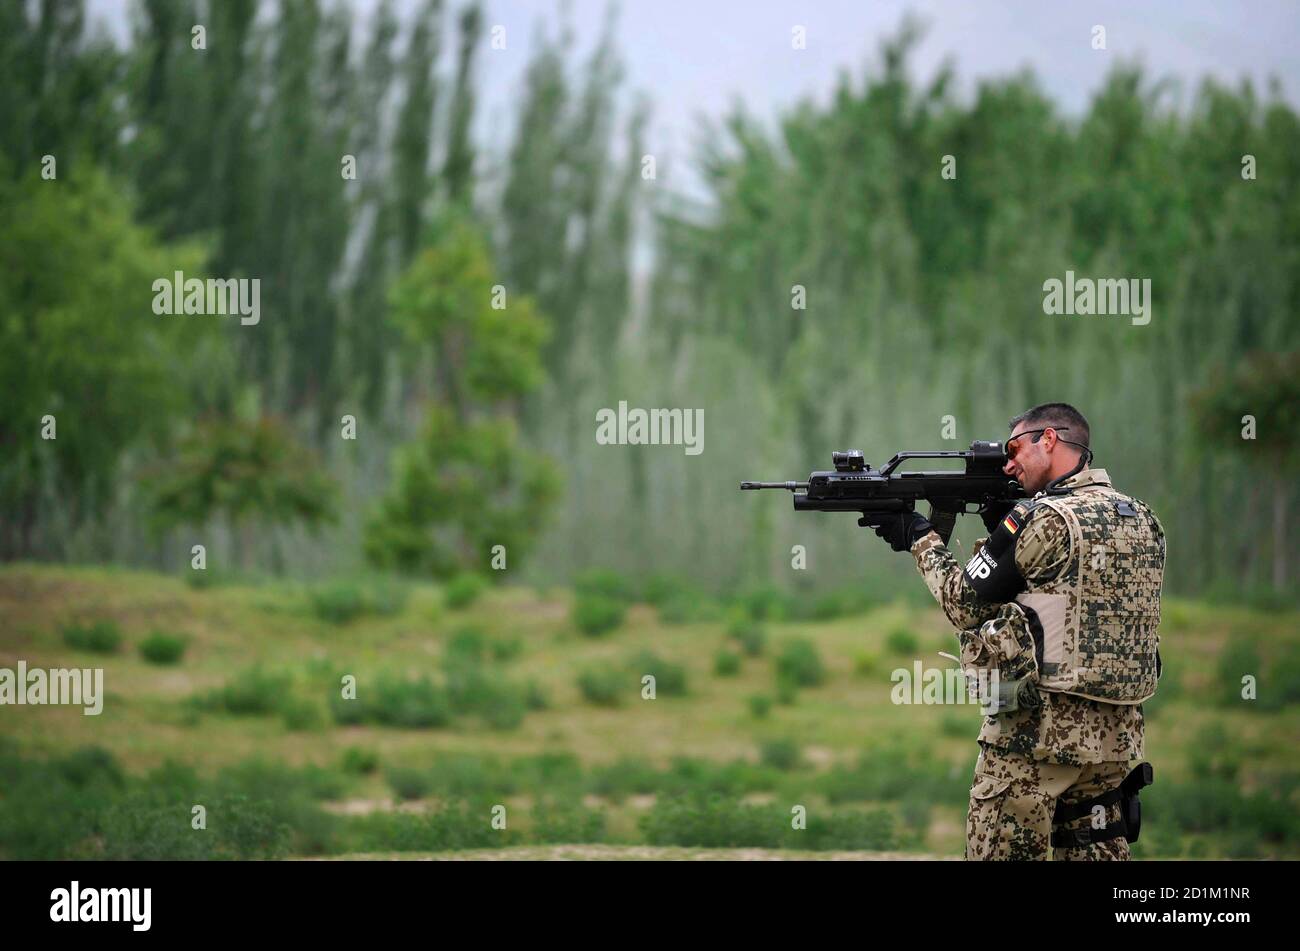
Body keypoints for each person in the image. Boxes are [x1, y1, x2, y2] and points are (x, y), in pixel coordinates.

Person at [871, 403, 1165, 860]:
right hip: (1115, 741)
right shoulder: (1141, 518)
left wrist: (920, 536)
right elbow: (1070, 598)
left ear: (1048, 439)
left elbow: (963, 604)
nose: (1008, 464)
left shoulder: (1041, 519)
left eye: (1014, 449)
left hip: (1035, 739)